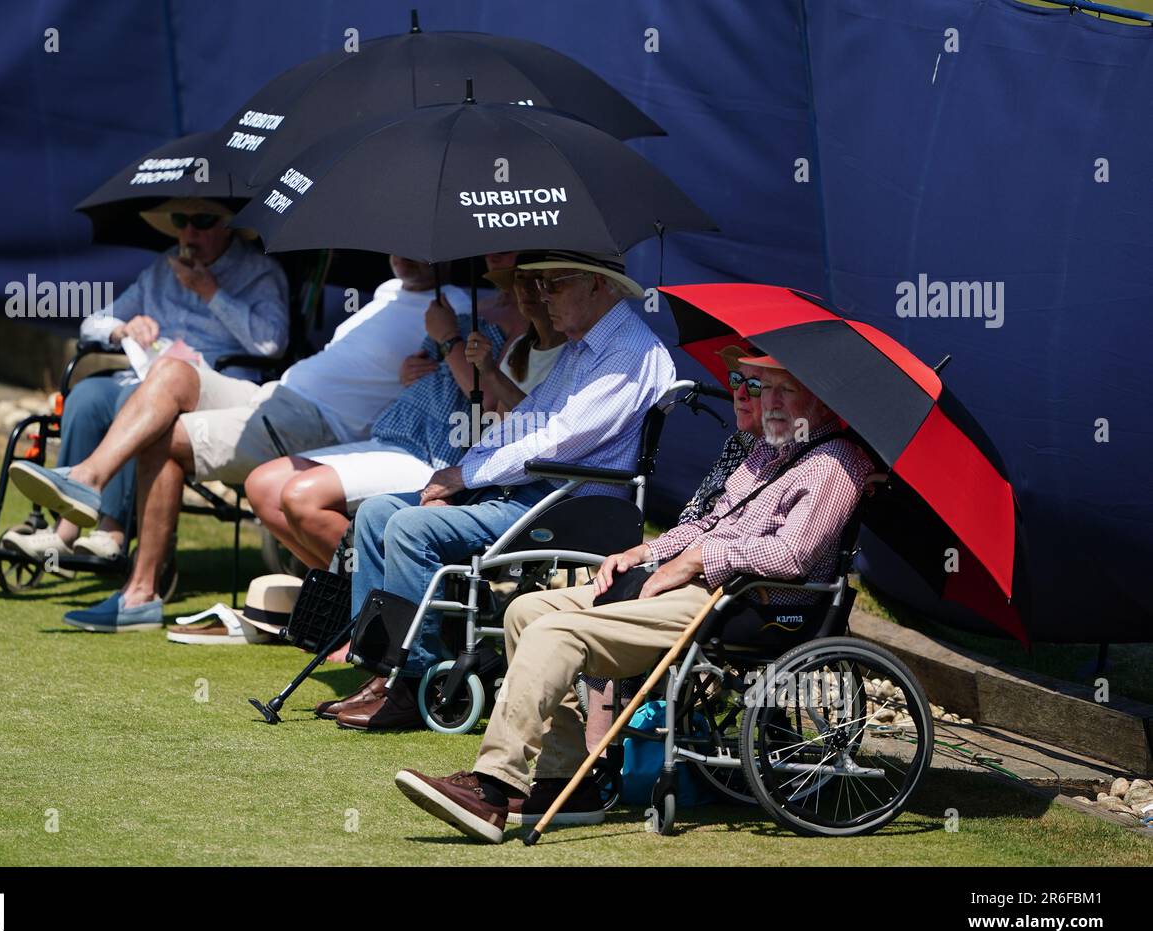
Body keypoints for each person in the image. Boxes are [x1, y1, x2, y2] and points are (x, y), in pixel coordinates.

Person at [393, 354, 874, 843]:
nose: (765, 400)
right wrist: (645, 550)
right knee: (526, 610)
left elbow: (791, 556)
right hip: (695, 586)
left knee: (557, 632)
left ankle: (494, 786)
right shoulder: (766, 450)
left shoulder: (836, 465)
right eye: (756, 384)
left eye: (783, 390)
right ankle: (565, 781)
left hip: (747, 603)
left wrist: (702, 559)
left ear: (822, 400)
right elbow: (710, 521)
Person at [7, 254, 469, 631]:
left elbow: (456, 388)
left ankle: (139, 592)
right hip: (273, 396)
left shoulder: (460, 309)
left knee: (165, 437)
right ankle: (89, 480)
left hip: (317, 426)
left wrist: (428, 362)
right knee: (172, 370)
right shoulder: (389, 292)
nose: (401, 252)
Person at [324, 251, 676, 732]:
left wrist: (466, 479)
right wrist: (458, 474)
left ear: (598, 285)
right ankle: (378, 668)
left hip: (572, 506)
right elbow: (526, 422)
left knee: (408, 526)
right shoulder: (585, 346)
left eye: (554, 285)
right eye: (539, 285)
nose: (540, 297)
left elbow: (554, 441)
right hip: (537, 491)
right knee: (376, 513)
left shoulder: (628, 353)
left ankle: (409, 680)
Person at [1, 198, 289, 569]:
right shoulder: (162, 269)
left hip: (212, 385)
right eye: (180, 220)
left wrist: (211, 294)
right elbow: (93, 322)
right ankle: (64, 530)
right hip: (147, 374)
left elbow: (272, 342)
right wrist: (123, 329)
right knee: (86, 396)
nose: (189, 232)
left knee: (133, 401)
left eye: (202, 220)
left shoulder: (260, 272)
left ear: (229, 225)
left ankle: (112, 531)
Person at [246, 252, 568, 572]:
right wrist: (412, 369)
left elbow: (484, 397)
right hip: (402, 429)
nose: (496, 254)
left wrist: (448, 337)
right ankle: (352, 600)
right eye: (492, 247)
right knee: (263, 487)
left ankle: (387, 598)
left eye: (509, 248)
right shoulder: (475, 305)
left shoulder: (530, 321)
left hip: (438, 449)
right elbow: (445, 365)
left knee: (301, 498)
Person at [580, 345, 762, 748]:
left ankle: (603, 746)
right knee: (619, 581)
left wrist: (690, 560)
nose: (740, 393)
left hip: (736, 587)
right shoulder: (743, 445)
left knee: (617, 605)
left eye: (753, 384)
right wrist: (648, 552)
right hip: (694, 559)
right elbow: (700, 518)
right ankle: (605, 731)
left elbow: (782, 551)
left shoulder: (809, 460)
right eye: (735, 381)